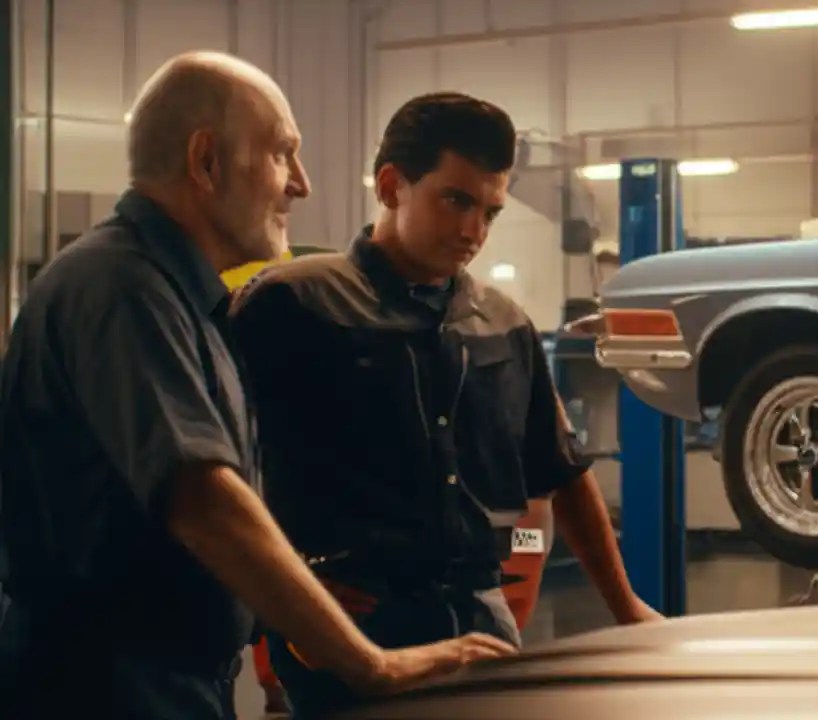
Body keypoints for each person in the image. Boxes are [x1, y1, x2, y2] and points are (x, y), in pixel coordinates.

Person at [0, 53, 513, 720]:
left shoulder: (187, 302)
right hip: (102, 689)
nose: (300, 184)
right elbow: (202, 498)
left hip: (172, 681)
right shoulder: (121, 287)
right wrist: (371, 663)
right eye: (282, 154)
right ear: (206, 162)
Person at [229, 91, 662, 717]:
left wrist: (626, 607)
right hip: (350, 621)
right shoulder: (293, 306)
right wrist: (286, 591)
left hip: (481, 613)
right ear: (390, 186)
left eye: (489, 211)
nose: (473, 231)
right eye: (455, 200)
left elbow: (560, 470)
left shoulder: (503, 323)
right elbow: (221, 472)